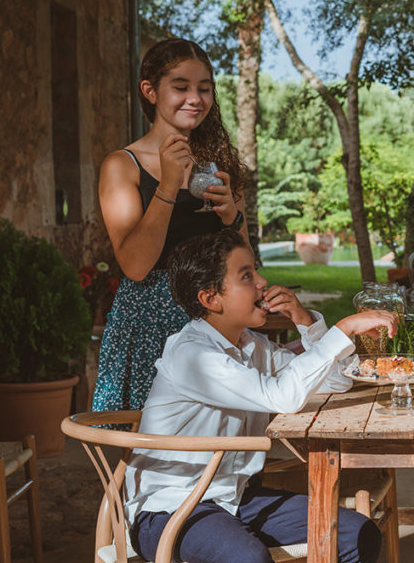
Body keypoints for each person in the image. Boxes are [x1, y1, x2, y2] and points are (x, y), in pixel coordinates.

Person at [124, 229, 396, 563]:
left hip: (238, 499)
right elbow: (284, 396)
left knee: (357, 534)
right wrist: (342, 330)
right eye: (247, 276)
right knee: (247, 558)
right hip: (172, 508)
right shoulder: (192, 355)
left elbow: (336, 382)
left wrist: (307, 322)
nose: (263, 282)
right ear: (211, 298)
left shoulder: (252, 346)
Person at [94, 38, 249, 413]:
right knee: (154, 450)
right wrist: (166, 185)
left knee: (220, 443)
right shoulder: (122, 165)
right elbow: (135, 265)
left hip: (214, 317)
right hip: (149, 323)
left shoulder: (219, 164)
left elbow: (245, 261)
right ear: (150, 91)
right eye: (180, 87)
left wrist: (232, 216)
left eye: (204, 88)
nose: (194, 98)